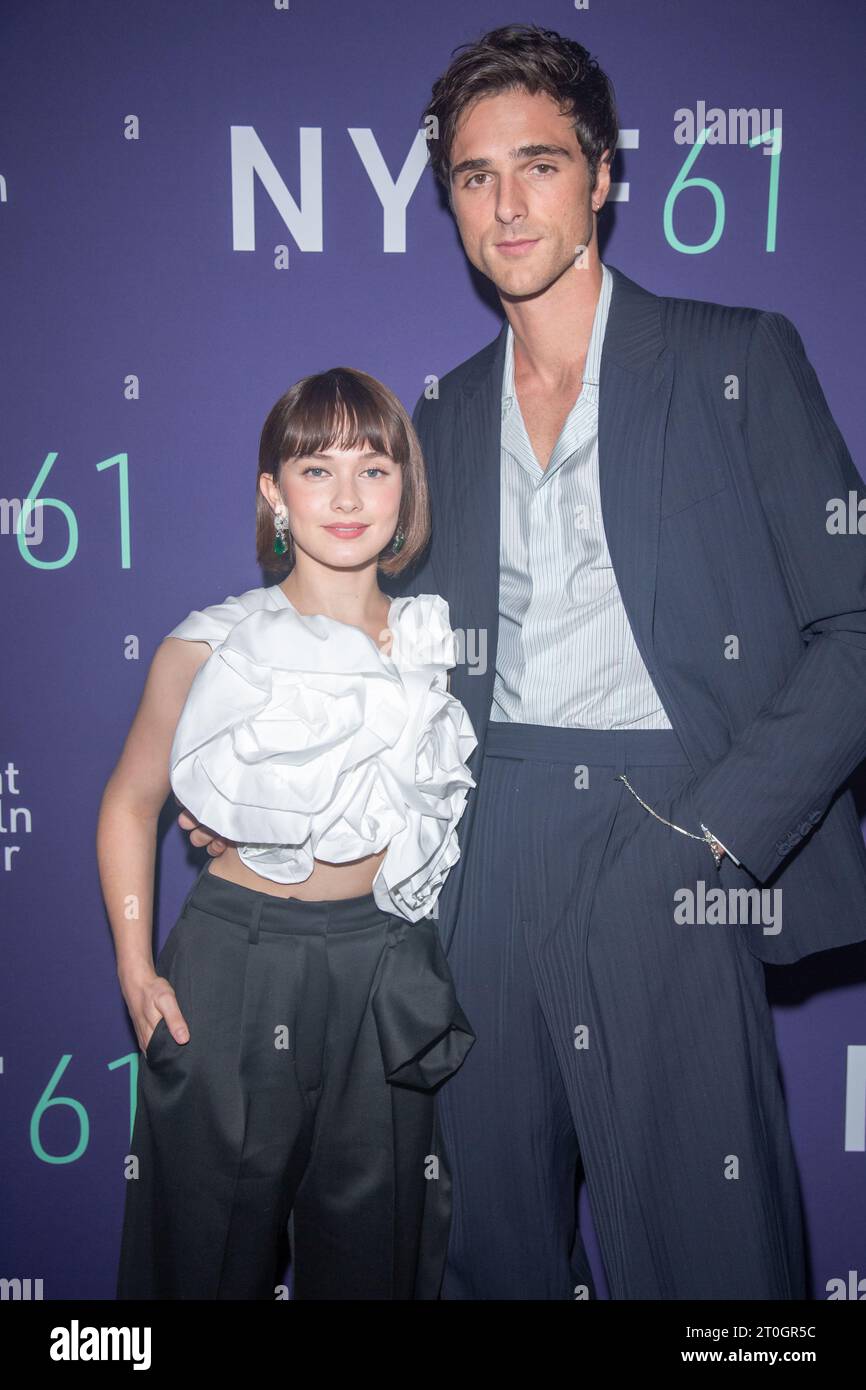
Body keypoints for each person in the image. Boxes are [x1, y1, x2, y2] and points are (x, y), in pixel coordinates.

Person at [181, 24, 866, 1300]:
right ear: (447, 199)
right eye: (473, 176)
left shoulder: (734, 358)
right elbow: (384, 653)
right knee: (487, 1246)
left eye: (538, 166)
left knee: (711, 1262)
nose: (505, 205)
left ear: (600, 176)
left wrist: (710, 835)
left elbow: (855, 627)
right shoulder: (439, 413)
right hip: (482, 849)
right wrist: (260, 805)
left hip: (671, 827)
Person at [97, 365, 478, 1300]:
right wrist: (135, 967)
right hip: (237, 963)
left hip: (387, 969)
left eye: (374, 467)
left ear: (405, 489)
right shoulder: (213, 644)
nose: (347, 496)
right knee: (203, 1257)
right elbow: (131, 801)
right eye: (316, 469)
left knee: (378, 1263)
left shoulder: (443, 643)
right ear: (274, 494)